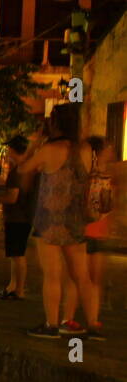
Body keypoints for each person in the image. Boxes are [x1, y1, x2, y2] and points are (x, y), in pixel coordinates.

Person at [20, 103, 99, 339]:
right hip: (75, 220)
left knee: (52, 276)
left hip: (49, 221)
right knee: (82, 276)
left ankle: (51, 325)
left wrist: (36, 143)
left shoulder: (49, 149)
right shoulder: (85, 149)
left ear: (55, 123)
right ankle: (93, 325)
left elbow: (24, 169)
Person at [57, 135, 111, 339]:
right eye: (107, 147)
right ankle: (85, 321)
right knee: (82, 279)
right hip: (87, 231)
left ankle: (78, 320)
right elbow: (103, 206)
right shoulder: (97, 176)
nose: (111, 151)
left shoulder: (85, 175)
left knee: (81, 279)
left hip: (89, 231)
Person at [0, 134, 33, 301]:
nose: (7, 152)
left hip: (17, 217)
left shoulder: (18, 171)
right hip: (22, 216)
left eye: (8, 149)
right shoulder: (28, 169)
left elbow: (12, 197)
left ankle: (19, 289)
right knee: (14, 254)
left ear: (13, 150)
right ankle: (12, 286)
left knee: (18, 255)